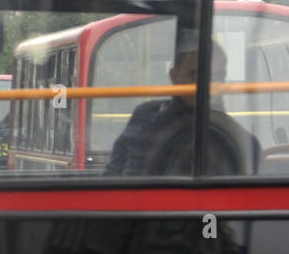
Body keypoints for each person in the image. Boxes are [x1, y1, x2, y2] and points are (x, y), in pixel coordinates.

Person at [104, 41, 260, 177]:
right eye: (194, 75)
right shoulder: (145, 115)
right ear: (174, 76)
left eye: (215, 77)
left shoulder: (237, 139)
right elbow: (112, 175)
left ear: (223, 78)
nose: (205, 85)